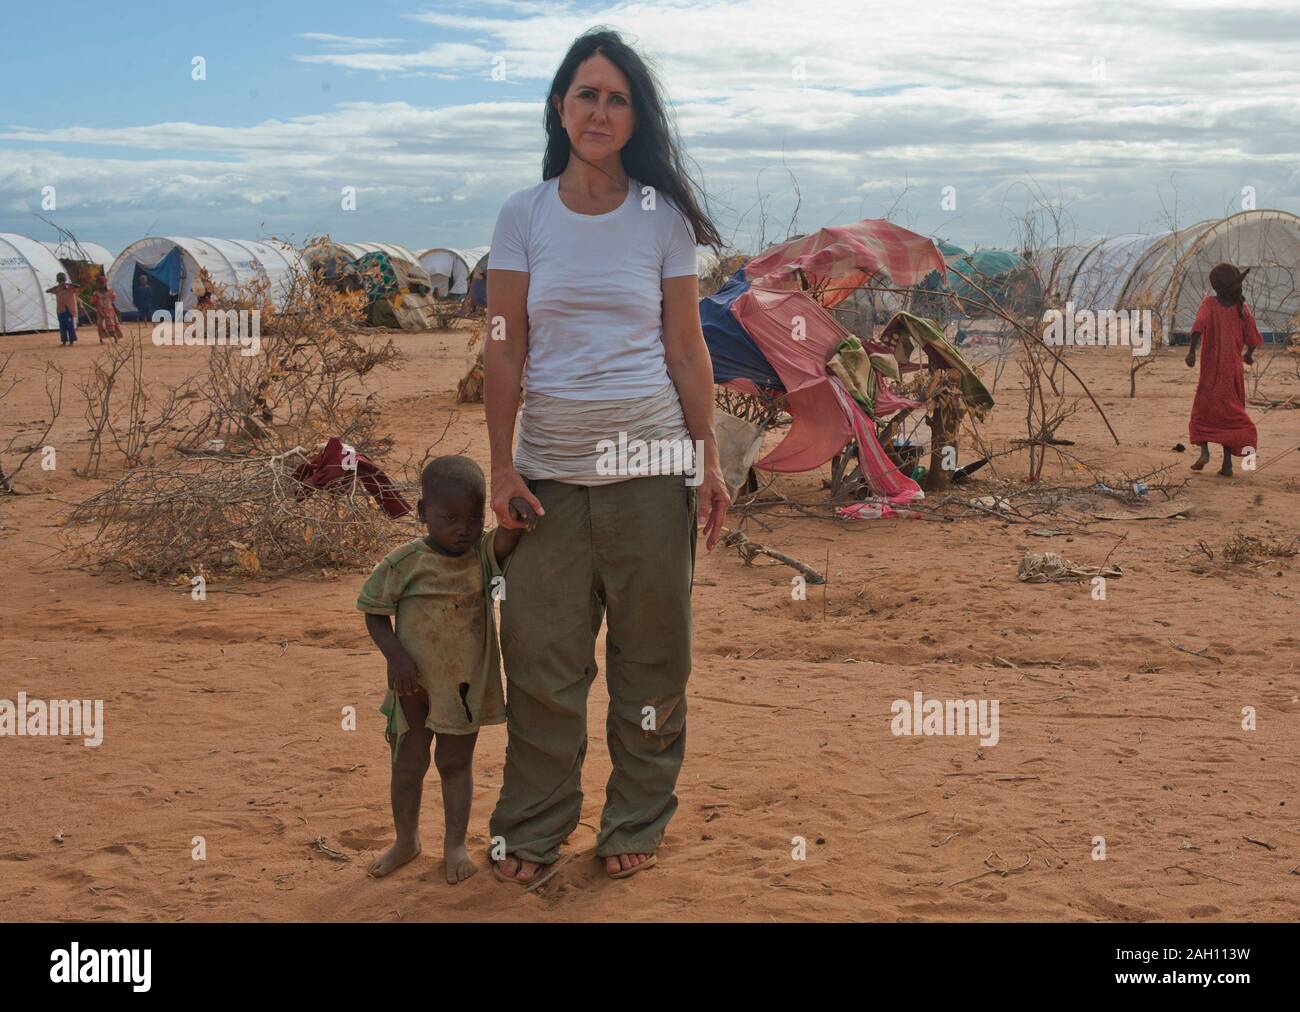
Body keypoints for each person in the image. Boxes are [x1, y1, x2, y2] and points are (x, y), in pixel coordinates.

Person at [484, 28, 729, 885]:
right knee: (544, 661)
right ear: (560, 107)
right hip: (548, 478)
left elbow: (688, 350)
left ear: (635, 117)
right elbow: (505, 346)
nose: (599, 110)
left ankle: (636, 815)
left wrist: (709, 462)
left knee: (652, 659)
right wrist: (502, 466)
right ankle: (533, 823)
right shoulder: (524, 215)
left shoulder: (661, 221)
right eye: (586, 94)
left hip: (652, 471)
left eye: (617, 97)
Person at [357, 456, 534, 883]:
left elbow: (504, 543)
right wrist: (396, 657)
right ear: (422, 513)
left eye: (473, 518)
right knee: (409, 762)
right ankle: (406, 841)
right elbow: (373, 612)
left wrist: (513, 518)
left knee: (456, 764)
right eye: (450, 518)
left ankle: (453, 844)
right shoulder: (404, 563)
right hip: (412, 684)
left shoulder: (480, 556)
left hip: (464, 687)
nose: (464, 529)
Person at [1185, 263, 1263, 477]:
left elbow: (1197, 328)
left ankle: (1205, 452)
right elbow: (1253, 336)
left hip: (1211, 370)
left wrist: (1191, 352)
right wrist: (1248, 355)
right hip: (1232, 373)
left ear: (1217, 287)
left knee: (1203, 411)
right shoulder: (1241, 309)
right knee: (1230, 414)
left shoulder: (1209, 304)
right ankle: (1227, 464)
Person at [45, 272, 80, 346]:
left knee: (70, 326)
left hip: (69, 310)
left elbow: (78, 286)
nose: (61, 282)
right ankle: (63, 341)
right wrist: (57, 286)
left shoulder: (70, 288)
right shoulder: (57, 289)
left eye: (63, 280)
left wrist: (68, 284)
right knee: (62, 326)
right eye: (60, 280)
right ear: (58, 280)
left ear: (65, 280)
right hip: (60, 310)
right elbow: (47, 291)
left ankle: (71, 341)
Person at [89, 276, 122, 343]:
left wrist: (114, 308)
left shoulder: (110, 292)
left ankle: (115, 337)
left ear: (105, 284)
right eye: (99, 283)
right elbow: (93, 302)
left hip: (109, 311)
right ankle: (101, 338)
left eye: (102, 283)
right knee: (100, 324)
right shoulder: (96, 294)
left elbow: (112, 300)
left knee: (111, 324)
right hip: (100, 312)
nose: (100, 285)